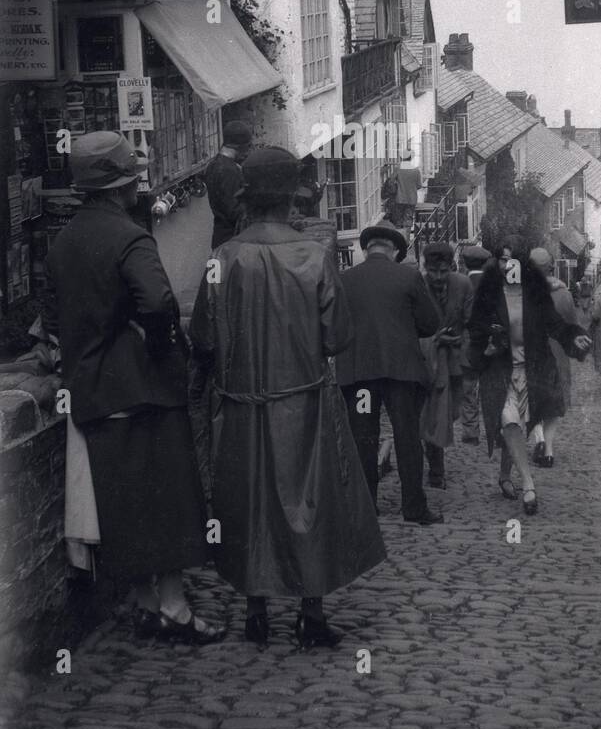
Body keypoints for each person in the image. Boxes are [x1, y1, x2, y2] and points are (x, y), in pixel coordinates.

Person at [190, 147, 385, 649]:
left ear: (247, 198)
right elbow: (337, 336)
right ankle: (310, 614)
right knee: (311, 502)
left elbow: (204, 338)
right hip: (303, 403)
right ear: (290, 196)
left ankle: (255, 611)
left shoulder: (222, 259)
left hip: (239, 403)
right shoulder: (313, 256)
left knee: (246, 502)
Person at [42, 131, 222, 644]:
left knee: (124, 503)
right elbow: (159, 302)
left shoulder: (65, 242)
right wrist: (162, 350)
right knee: (168, 502)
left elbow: (51, 317)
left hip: (93, 392)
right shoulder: (130, 237)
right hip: (143, 389)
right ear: (123, 186)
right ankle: (175, 608)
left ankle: (145, 605)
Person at [468, 241, 592, 515]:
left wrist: (575, 337)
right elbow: (475, 329)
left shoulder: (535, 293)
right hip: (500, 372)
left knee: (516, 426)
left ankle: (505, 474)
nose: (508, 266)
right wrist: (486, 344)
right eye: (503, 260)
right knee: (509, 422)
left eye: (513, 261)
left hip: (531, 370)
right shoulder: (487, 293)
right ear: (496, 263)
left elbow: (556, 325)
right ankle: (528, 484)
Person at [337, 221, 443, 525]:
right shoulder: (408, 277)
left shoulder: (346, 279)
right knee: (406, 436)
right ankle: (414, 508)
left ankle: (366, 507)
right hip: (401, 373)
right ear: (394, 250)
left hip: (359, 375)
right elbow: (430, 323)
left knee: (363, 437)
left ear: (367, 248)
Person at [418, 241, 473, 488]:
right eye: (433, 271)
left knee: (450, 414)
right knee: (434, 414)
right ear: (425, 267)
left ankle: (430, 448)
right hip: (425, 360)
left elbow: (472, 323)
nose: (438, 277)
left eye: (443, 271)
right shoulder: (416, 285)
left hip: (454, 362)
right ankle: (436, 469)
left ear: (451, 267)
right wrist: (433, 339)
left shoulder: (463, 284)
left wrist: (463, 342)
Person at [527, 249, 579, 468]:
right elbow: (572, 324)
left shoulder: (522, 292)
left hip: (531, 354)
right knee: (553, 405)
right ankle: (548, 450)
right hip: (557, 353)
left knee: (530, 399)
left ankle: (537, 438)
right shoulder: (564, 294)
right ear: (551, 267)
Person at [458, 245, 492, 444]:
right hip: (489, 344)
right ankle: (495, 430)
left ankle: (471, 432)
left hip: (467, 344)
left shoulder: (460, 285)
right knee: (491, 388)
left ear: (465, 263)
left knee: (468, 389)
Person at [203, 119, 253, 249]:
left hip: (220, 236)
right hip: (232, 240)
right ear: (240, 147)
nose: (247, 153)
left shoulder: (213, 165)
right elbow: (234, 211)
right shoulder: (229, 170)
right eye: (247, 148)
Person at [393, 151, 422, 235]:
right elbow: (419, 185)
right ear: (410, 158)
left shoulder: (398, 169)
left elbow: (391, 181)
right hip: (411, 199)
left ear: (402, 158)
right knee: (408, 220)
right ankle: (407, 240)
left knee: (398, 220)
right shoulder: (416, 170)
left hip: (399, 198)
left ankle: (399, 240)